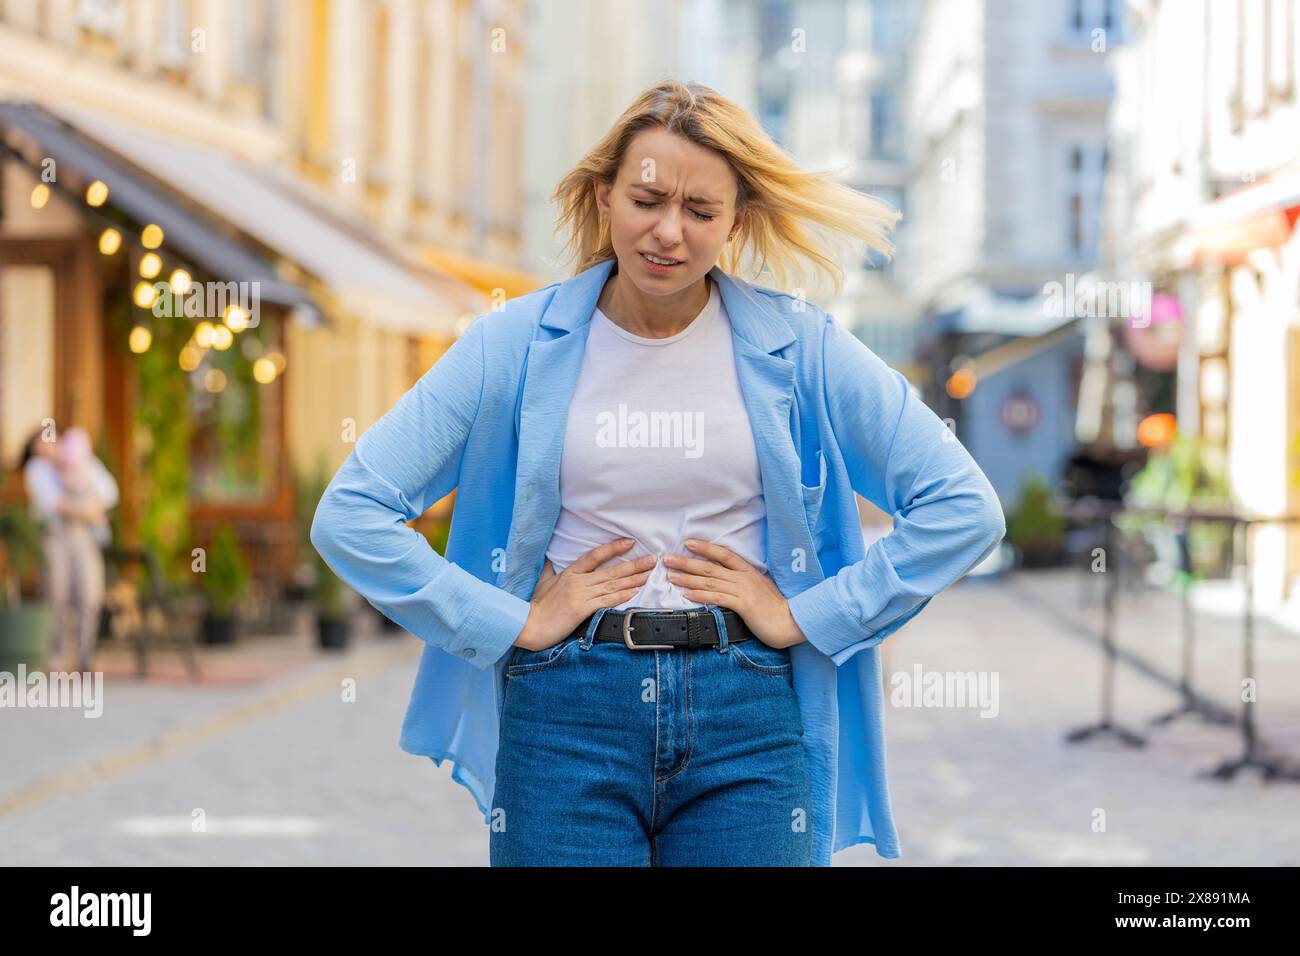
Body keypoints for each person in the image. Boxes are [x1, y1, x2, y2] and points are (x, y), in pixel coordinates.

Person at [311, 79, 1006, 866]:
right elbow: (351, 514)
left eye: (701, 212)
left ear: (735, 221)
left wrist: (807, 616)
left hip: (749, 717)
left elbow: (963, 508)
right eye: (647, 199)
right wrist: (514, 624)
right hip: (566, 711)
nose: (668, 232)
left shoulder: (802, 348)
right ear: (604, 196)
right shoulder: (510, 344)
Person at [20, 425, 120, 673]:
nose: (45, 448)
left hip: (85, 537)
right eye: (38, 446)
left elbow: (109, 493)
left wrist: (90, 505)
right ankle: (57, 657)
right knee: (56, 593)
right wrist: (90, 512)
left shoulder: (84, 461)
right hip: (56, 536)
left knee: (90, 594)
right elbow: (52, 503)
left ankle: (85, 657)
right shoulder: (38, 470)